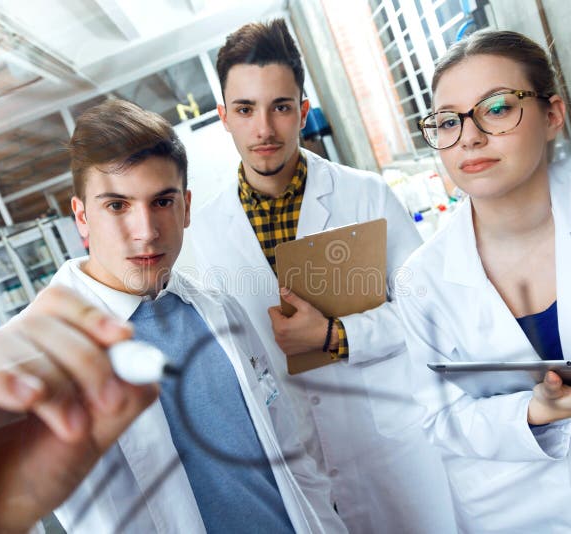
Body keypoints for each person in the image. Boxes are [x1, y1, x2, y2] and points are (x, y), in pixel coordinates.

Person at [0, 100, 347, 533]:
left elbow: (294, 456)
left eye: (162, 202)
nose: (145, 231)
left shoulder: (218, 310)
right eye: (117, 206)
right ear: (81, 217)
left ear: (185, 208)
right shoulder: (37, 350)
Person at [398, 29, 571, 533]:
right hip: (508, 511)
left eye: (498, 107)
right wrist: (534, 409)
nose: (470, 137)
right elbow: (440, 418)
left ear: (552, 115)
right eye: (447, 121)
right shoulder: (423, 278)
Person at [188, 19, 457, 533]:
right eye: (245, 110)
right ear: (224, 117)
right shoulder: (201, 235)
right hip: (294, 465)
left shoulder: (367, 196)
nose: (264, 129)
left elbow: (433, 316)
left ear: (303, 112)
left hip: (390, 449)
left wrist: (337, 337)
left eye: (280, 107)